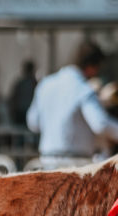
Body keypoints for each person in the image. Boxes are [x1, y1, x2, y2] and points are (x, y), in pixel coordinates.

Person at [26, 39, 118, 168]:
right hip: (75, 163)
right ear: (91, 66)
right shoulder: (83, 89)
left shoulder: (45, 84)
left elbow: (33, 123)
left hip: (46, 160)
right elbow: (100, 124)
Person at [8, 60, 37, 126]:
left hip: (24, 112)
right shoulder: (34, 84)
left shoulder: (20, 83)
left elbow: (13, 98)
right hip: (23, 112)